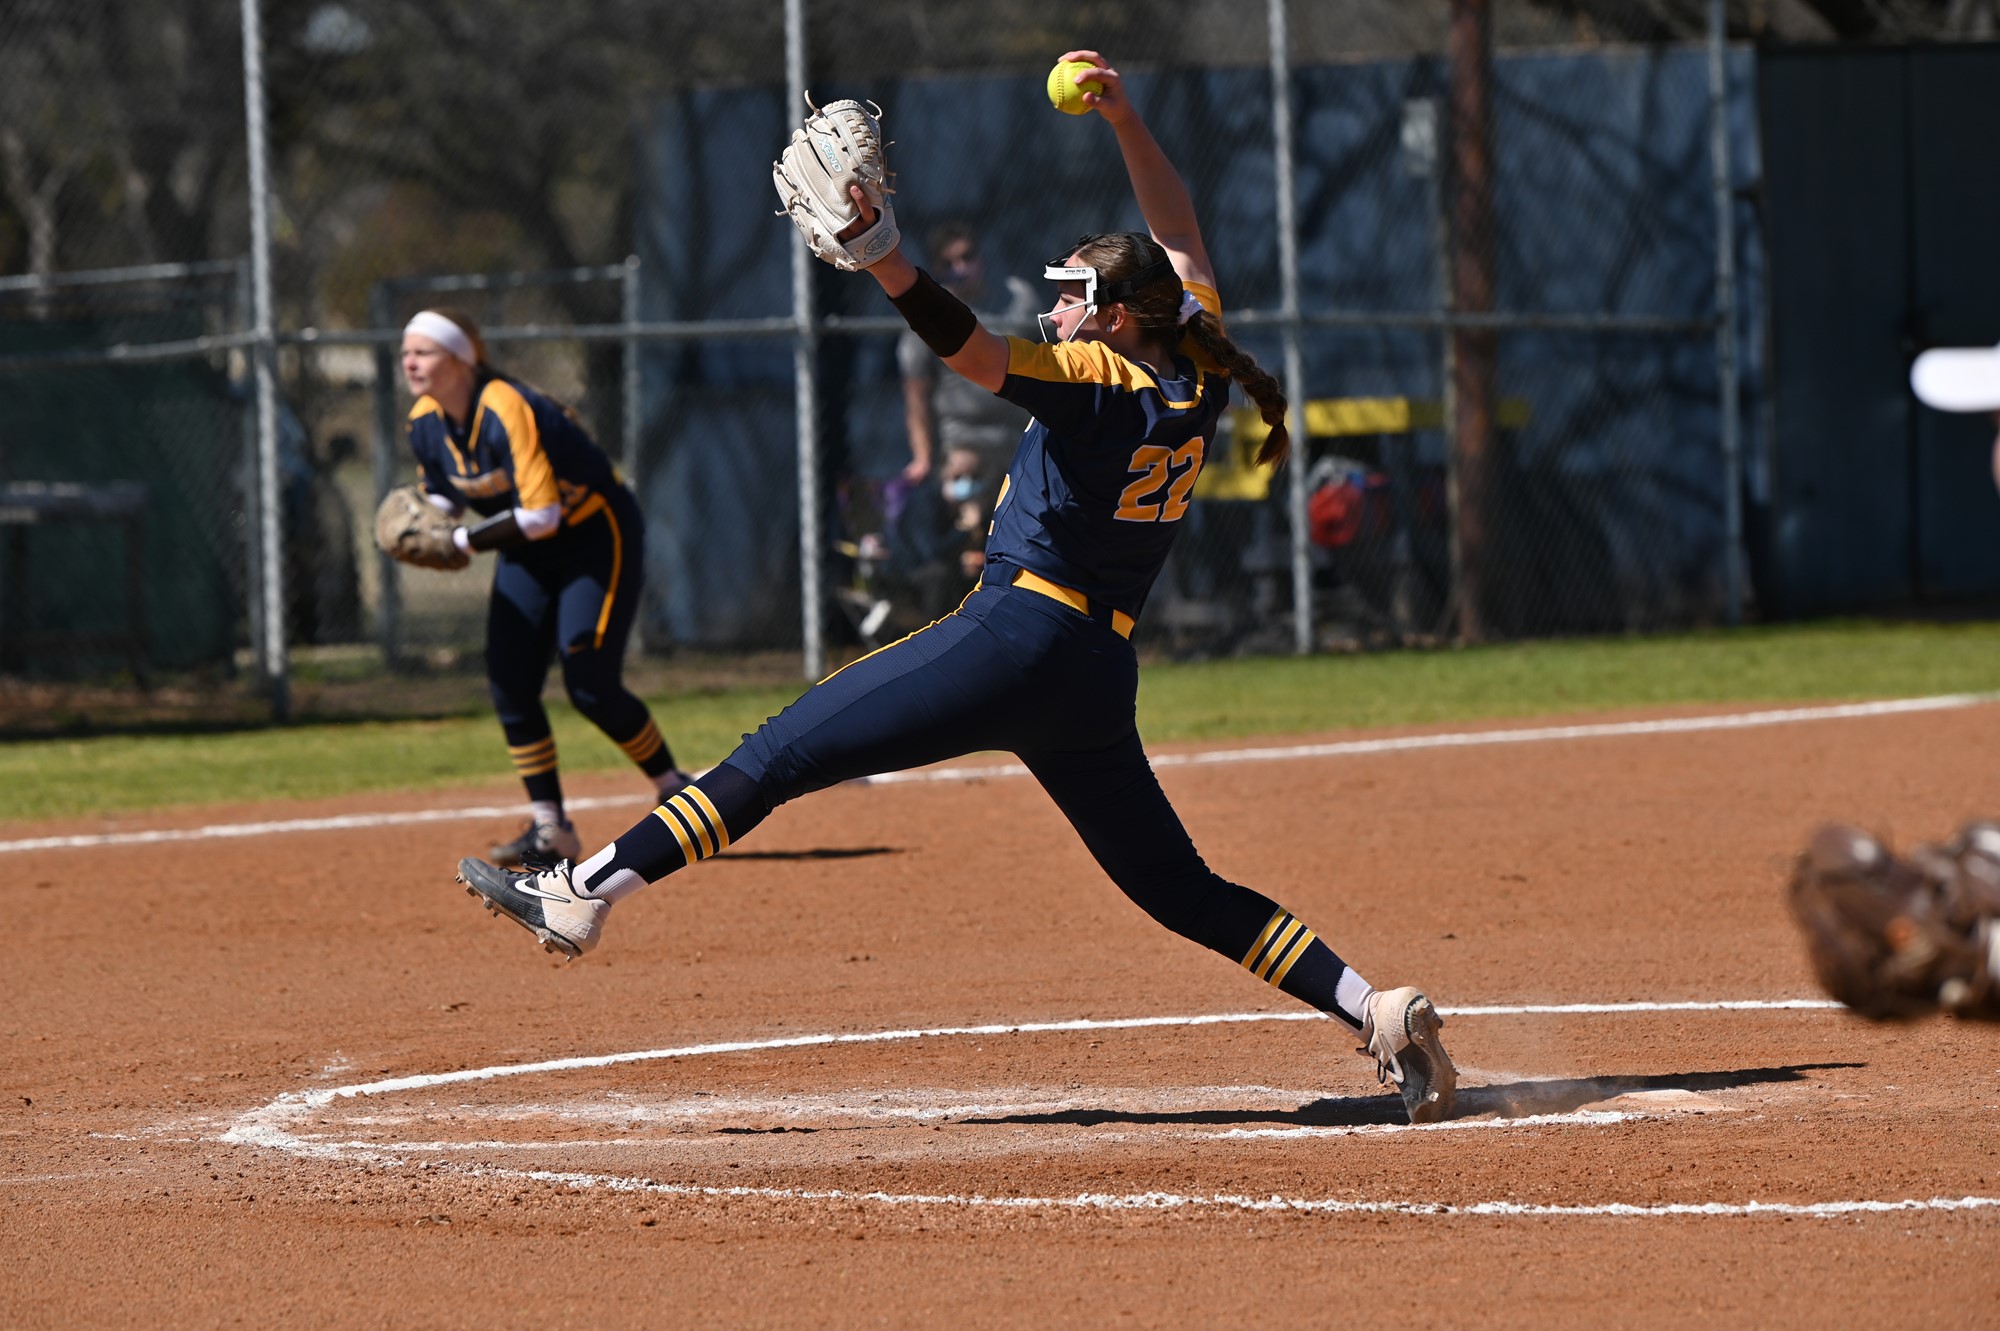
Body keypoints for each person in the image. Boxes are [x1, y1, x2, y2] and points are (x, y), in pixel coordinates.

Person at [456, 53, 1458, 1124]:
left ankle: (580, 894)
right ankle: (1373, 1007)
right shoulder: (1193, 365)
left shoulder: (1102, 379)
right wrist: (1123, 117)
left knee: (776, 753)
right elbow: (1178, 235)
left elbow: (977, 354)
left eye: (1074, 294)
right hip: (1090, 667)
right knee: (1176, 886)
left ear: (1118, 316)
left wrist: (884, 259)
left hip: (1016, 632)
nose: (1060, 307)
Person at [399, 308, 691, 865]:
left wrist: (458, 543)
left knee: (589, 680)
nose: (410, 361)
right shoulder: (425, 423)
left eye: (424, 351)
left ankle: (673, 786)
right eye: (407, 353)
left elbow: (542, 515)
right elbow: (445, 496)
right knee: (510, 680)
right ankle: (551, 829)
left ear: (463, 359)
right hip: (528, 550)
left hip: (594, 534)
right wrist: (422, 525)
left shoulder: (505, 405)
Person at [897, 222, 1034, 584]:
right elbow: (916, 393)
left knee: (1026, 545)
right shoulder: (931, 311)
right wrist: (924, 458)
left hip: (1021, 444)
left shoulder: (1019, 298)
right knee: (969, 544)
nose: (961, 268)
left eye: (967, 257)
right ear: (937, 269)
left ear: (981, 258)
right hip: (963, 449)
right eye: (949, 262)